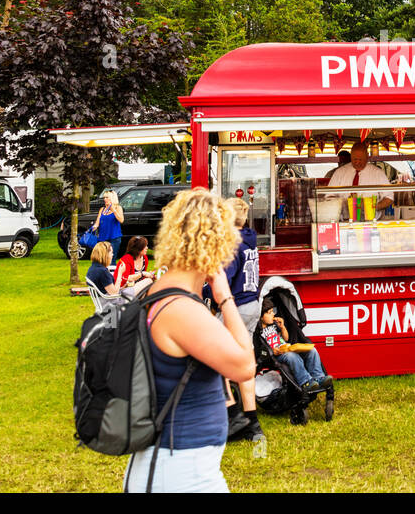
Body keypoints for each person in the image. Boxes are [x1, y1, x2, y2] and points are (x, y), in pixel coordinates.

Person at [124, 189, 255, 493]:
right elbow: (245, 366)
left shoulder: (157, 293)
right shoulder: (181, 310)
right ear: (216, 245)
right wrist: (224, 296)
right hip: (179, 471)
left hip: (171, 465)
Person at [217, 198, 265, 442]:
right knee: (246, 362)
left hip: (234, 306)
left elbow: (223, 281)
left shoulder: (231, 246)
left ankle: (233, 417)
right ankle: (253, 424)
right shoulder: (251, 239)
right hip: (253, 303)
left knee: (220, 363)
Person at [260, 302, 332, 392]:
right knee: (292, 356)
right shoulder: (259, 330)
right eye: (269, 312)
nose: (273, 314)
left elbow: (286, 338)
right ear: (261, 316)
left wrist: (282, 327)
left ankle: (319, 378)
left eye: (273, 311)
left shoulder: (273, 325)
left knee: (311, 350)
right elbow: (260, 348)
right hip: (277, 355)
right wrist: (272, 351)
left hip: (286, 348)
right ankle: (306, 382)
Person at [325, 142, 393, 213]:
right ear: (351, 157)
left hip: (371, 220)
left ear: (367, 156)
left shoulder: (378, 173)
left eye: (360, 159)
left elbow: (389, 197)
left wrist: (373, 207)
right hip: (344, 219)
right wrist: (342, 204)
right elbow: (329, 196)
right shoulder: (339, 173)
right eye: (355, 159)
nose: (357, 162)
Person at [94, 190, 125, 264]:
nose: (105, 199)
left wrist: (114, 210)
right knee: (102, 260)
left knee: (111, 259)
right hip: (103, 238)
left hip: (114, 238)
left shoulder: (118, 208)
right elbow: (97, 223)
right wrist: (92, 228)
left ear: (112, 198)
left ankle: (112, 275)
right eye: (104, 197)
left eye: (107, 197)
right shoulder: (102, 209)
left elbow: (121, 220)